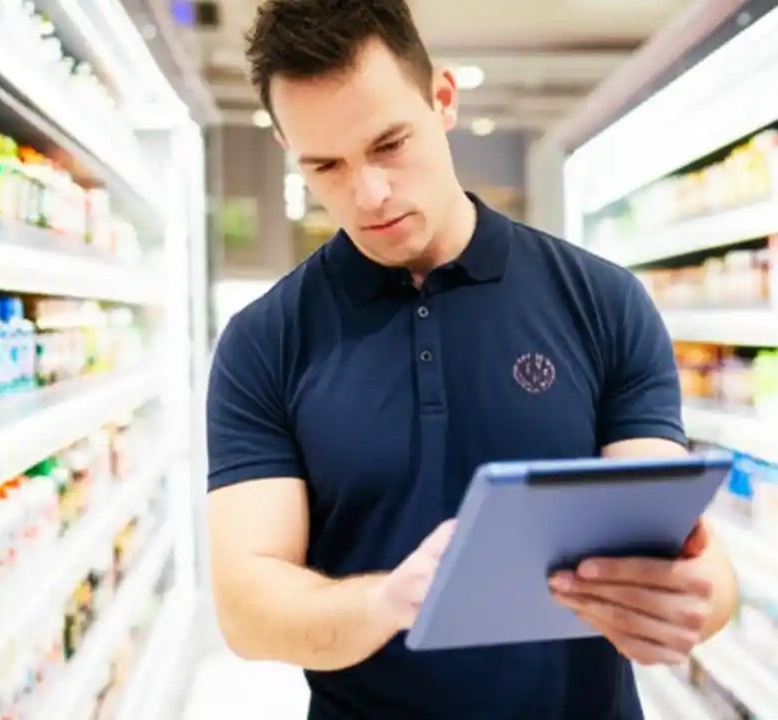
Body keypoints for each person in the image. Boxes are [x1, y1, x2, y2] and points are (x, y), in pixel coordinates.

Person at [204, 0, 739, 717]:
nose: (370, 194)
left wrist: (698, 598)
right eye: (325, 165)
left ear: (443, 99)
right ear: (286, 147)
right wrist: (388, 602)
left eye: (390, 143)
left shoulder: (602, 301)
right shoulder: (262, 342)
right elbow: (247, 607)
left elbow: (679, 547)